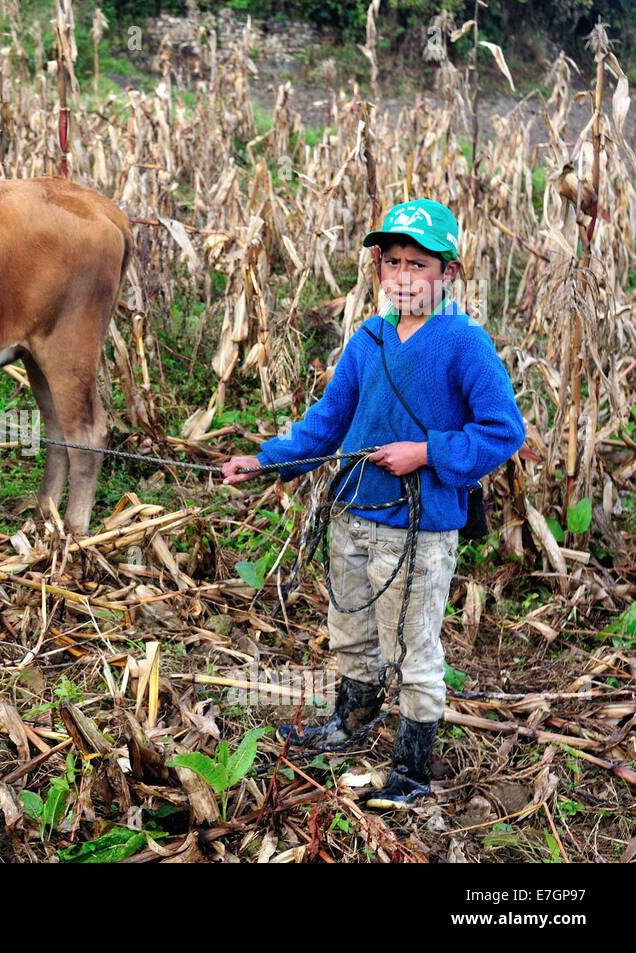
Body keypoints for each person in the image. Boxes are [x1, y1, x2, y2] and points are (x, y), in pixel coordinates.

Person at [222, 199, 526, 809]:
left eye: (419, 264)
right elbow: (327, 421)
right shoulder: (368, 338)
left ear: (450, 273)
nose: (404, 277)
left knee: (414, 647)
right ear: (378, 269)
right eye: (392, 263)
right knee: (351, 628)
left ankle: (412, 769)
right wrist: (265, 461)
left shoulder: (465, 344)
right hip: (352, 514)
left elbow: (503, 431)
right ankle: (350, 722)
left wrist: (427, 451)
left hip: (419, 528)